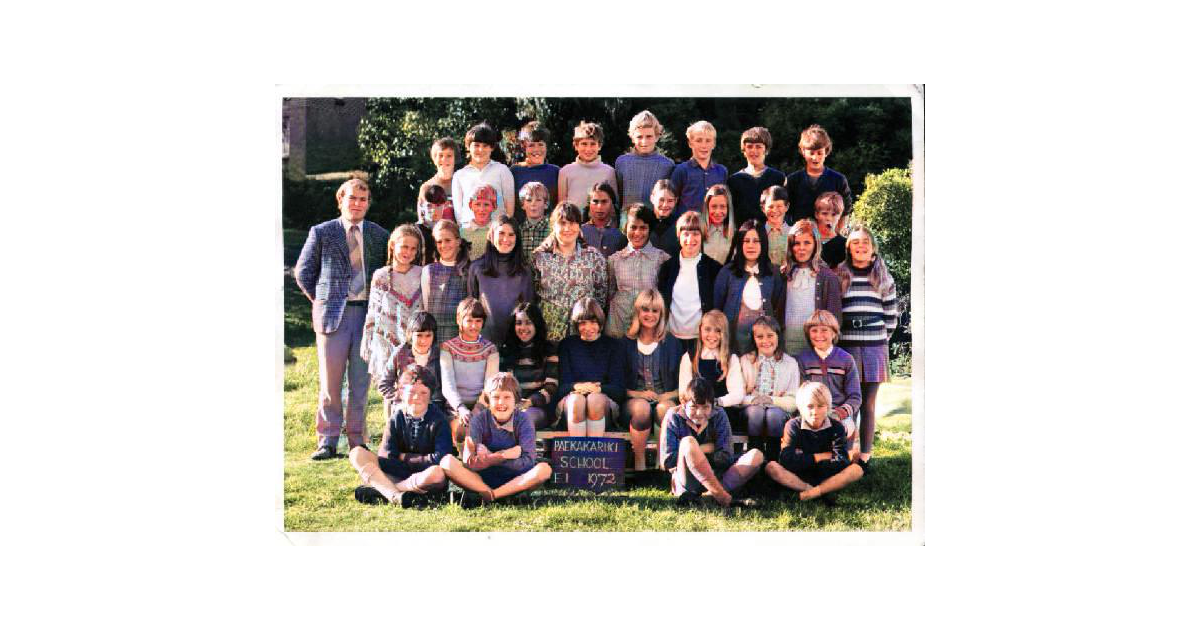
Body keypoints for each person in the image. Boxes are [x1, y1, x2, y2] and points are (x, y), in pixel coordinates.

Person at [294, 178, 389, 460]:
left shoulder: (379, 235)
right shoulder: (322, 232)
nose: (357, 204)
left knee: (360, 383)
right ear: (341, 200)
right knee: (330, 383)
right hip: (332, 316)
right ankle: (327, 440)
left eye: (363, 199)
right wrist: (322, 300)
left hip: (367, 317)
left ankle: (357, 440)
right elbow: (303, 272)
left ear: (368, 203)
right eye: (352, 198)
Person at [439, 372, 554, 505]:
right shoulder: (478, 420)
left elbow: (528, 462)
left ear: (516, 400)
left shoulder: (524, 420)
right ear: (488, 401)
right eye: (496, 397)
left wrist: (488, 457)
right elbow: (469, 462)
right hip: (481, 478)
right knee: (447, 462)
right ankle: (488, 491)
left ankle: (493, 495)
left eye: (507, 397)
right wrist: (502, 456)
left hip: (515, 479)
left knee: (544, 469)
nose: (501, 402)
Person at [835, 225, 898, 464]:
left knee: (868, 403)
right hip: (847, 346)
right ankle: (844, 454)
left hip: (874, 346)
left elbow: (891, 317)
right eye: (855, 242)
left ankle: (864, 456)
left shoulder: (883, 277)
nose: (860, 246)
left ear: (873, 248)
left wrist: (879, 339)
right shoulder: (840, 275)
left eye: (865, 242)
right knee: (848, 401)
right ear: (848, 248)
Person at [349, 364, 451, 507]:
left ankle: (385, 491)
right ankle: (397, 495)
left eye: (423, 393)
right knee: (357, 453)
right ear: (402, 392)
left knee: (437, 473)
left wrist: (404, 457)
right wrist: (412, 460)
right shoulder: (396, 418)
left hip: (424, 476)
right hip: (396, 473)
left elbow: (440, 459)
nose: (417, 397)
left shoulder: (439, 420)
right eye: (412, 391)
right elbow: (386, 457)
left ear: (430, 396)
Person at [660, 377, 763, 507]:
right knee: (688, 442)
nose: (699, 413)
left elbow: (726, 457)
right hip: (688, 479)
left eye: (705, 407)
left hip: (717, 476)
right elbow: (667, 461)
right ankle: (723, 497)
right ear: (683, 403)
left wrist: (699, 453)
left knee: (756, 455)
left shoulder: (719, 414)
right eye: (693, 407)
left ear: (712, 405)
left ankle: (708, 496)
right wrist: (703, 449)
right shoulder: (673, 416)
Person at [362, 224, 424, 420]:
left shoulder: (422, 273)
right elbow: (374, 312)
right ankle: (391, 432)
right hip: (387, 342)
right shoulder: (381, 275)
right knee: (391, 391)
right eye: (404, 246)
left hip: (415, 343)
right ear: (392, 246)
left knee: (415, 388)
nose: (408, 252)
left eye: (413, 248)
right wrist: (369, 339)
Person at [765, 381, 864, 502]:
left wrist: (803, 459)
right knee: (771, 467)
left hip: (827, 475)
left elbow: (841, 461)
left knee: (856, 470)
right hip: (797, 476)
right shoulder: (793, 426)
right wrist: (820, 457)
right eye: (810, 406)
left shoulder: (837, 427)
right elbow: (787, 460)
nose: (815, 412)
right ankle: (814, 490)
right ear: (801, 407)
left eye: (820, 406)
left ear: (828, 407)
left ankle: (811, 493)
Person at [622, 289, 684, 471]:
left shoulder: (672, 343)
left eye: (655, 310)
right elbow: (617, 385)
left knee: (666, 409)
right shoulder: (625, 343)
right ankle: (639, 463)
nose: (650, 315)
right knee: (642, 408)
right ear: (637, 312)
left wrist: (667, 396)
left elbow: (682, 384)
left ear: (661, 314)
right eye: (645, 310)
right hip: (633, 402)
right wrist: (638, 394)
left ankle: (661, 463)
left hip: (664, 398)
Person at [530, 202, 608, 344]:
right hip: (549, 332)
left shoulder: (594, 257)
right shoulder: (539, 258)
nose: (567, 228)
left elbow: (601, 296)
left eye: (572, 223)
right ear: (553, 226)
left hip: (583, 332)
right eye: (562, 223)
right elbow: (533, 294)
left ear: (579, 226)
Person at [555, 297, 626, 437]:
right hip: (571, 402)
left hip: (604, 403)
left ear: (600, 322)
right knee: (577, 401)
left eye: (593, 322)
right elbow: (562, 388)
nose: (588, 328)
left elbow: (618, 390)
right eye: (583, 323)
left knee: (594, 400)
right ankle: (578, 450)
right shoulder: (567, 345)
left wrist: (598, 389)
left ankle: (594, 449)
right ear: (576, 324)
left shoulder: (613, 346)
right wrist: (578, 387)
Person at [713, 220, 785, 354]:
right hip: (734, 343)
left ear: (763, 244)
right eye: (746, 241)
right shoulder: (727, 272)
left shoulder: (773, 273)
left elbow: (778, 306)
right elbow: (717, 307)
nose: (751, 245)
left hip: (764, 343)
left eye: (756, 241)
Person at [658, 211, 722, 357]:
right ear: (679, 236)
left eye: (695, 234)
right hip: (671, 338)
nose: (690, 239)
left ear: (703, 235)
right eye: (686, 234)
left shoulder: (714, 268)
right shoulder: (667, 267)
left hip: (702, 340)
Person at [738, 315, 799, 461]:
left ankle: (773, 459)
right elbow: (737, 396)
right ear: (754, 339)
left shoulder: (790, 363)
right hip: (750, 410)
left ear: (778, 336)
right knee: (756, 412)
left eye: (770, 335)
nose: (765, 341)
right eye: (760, 337)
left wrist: (771, 400)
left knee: (773, 415)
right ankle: (755, 458)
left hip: (778, 411)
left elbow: (793, 401)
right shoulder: (745, 360)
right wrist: (754, 400)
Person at [466, 215, 535, 345]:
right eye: (501, 233)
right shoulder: (476, 268)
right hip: (484, 341)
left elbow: (529, 311)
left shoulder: (524, 271)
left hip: (515, 341)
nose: (506, 239)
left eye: (511, 234)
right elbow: (472, 309)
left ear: (517, 238)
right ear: (492, 235)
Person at [440, 297, 500, 444]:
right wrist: (461, 408)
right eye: (469, 321)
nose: (474, 326)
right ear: (459, 320)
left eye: (478, 321)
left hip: (483, 406)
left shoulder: (490, 349)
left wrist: (477, 410)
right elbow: (448, 385)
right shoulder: (448, 348)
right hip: (455, 407)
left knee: (475, 428)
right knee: (461, 430)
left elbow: (490, 386)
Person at [796, 310, 861, 444]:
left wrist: (839, 413)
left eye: (824, 330)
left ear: (834, 333)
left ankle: (839, 454)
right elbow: (800, 394)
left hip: (839, 414)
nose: (819, 335)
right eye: (814, 330)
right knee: (796, 429)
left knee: (837, 430)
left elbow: (855, 397)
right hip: (811, 413)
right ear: (808, 334)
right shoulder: (802, 359)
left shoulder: (846, 359)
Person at [779, 219, 842, 356]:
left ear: (815, 245)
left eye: (807, 243)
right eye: (796, 243)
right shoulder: (784, 275)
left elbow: (835, 318)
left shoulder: (827, 277)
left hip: (815, 349)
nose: (801, 248)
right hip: (786, 346)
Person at [606, 204, 669, 339]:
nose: (638, 233)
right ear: (625, 228)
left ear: (649, 229)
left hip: (648, 329)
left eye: (643, 228)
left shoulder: (661, 259)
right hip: (619, 328)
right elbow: (610, 293)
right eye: (633, 227)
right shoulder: (614, 260)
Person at [499, 302, 559, 430]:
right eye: (519, 323)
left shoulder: (549, 350)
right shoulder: (506, 351)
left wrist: (529, 402)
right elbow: (502, 384)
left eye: (528, 323)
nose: (523, 327)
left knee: (522, 420)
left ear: (536, 324)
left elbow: (552, 387)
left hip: (538, 408)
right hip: (510, 405)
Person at [378, 311, 446, 415]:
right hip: (405, 405)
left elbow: (445, 387)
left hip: (433, 405)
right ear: (410, 334)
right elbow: (384, 384)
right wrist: (400, 395)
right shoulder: (400, 353)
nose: (423, 340)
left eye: (428, 335)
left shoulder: (439, 355)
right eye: (419, 335)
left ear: (434, 336)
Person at [614, 110, 675, 225]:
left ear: (657, 136)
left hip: (655, 222)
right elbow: (619, 196)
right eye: (639, 137)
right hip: (627, 223)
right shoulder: (622, 162)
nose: (644, 141)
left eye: (649, 136)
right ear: (632, 137)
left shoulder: (667, 165)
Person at [677, 310, 746, 411]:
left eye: (718, 330)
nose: (712, 335)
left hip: (722, 409)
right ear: (700, 330)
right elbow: (683, 392)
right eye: (707, 329)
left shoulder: (731, 358)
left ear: (724, 333)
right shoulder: (689, 357)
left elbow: (738, 394)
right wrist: (699, 406)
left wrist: (716, 402)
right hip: (695, 410)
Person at [784, 124, 853, 224]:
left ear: (826, 152)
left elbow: (846, 210)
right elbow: (784, 210)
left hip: (829, 232)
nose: (815, 158)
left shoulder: (839, 180)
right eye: (811, 153)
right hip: (800, 232)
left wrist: (838, 231)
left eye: (819, 153)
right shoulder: (792, 180)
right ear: (803, 152)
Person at [451, 123, 515, 223]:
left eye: (485, 146)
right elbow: (458, 213)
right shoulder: (459, 176)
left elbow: (509, 209)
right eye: (476, 145)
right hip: (469, 230)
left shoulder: (502, 171)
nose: (480, 150)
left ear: (492, 148)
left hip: (497, 230)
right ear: (468, 147)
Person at [421, 219, 471, 344]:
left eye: (448, 240)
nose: (443, 245)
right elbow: (425, 306)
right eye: (439, 242)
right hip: (433, 335)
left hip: (460, 335)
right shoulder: (428, 271)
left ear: (458, 241)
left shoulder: (469, 270)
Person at [726, 126, 786, 227]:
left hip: (771, 233)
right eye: (749, 146)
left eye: (758, 147)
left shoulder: (778, 178)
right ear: (744, 151)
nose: (754, 150)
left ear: (766, 150)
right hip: (743, 234)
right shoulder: (734, 181)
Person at [558, 120, 618, 209]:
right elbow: (561, 206)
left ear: (599, 146)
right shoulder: (565, 171)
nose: (588, 149)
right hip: (573, 217)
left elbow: (613, 205)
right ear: (576, 146)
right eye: (584, 144)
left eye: (593, 144)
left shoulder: (609, 172)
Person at [669, 120, 727, 214]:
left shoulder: (722, 171)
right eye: (699, 140)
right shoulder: (681, 170)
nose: (704, 146)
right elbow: (671, 202)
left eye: (708, 141)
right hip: (688, 222)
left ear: (714, 144)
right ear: (690, 143)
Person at [510, 121, 559, 216]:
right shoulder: (515, 171)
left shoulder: (555, 172)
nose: (536, 149)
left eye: (540, 144)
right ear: (524, 147)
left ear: (546, 146)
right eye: (531, 145)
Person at [580, 181, 627, 257]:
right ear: (589, 204)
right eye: (595, 201)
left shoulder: (622, 234)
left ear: (612, 203)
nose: (599, 207)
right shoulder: (580, 232)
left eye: (604, 202)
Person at [417, 137, 458, 222]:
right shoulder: (426, 188)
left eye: (449, 156)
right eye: (440, 155)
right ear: (434, 159)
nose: (444, 159)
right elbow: (422, 221)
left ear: (455, 159)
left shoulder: (463, 183)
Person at [415, 184, 452, 264]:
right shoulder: (414, 231)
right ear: (422, 205)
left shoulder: (449, 231)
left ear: (445, 205)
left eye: (438, 205)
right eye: (429, 206)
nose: (433, 210)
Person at [516, 181, 551, 267]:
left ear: (546, 204)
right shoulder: (517, 231)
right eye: (529, 200)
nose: (533, 204)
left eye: (538, 200)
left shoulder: (553, 230)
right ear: (523, 205)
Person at [701, 184, 735, 265]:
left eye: (722, 206)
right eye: (714, 206)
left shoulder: (735, 235)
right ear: (707, 208)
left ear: (728, 208)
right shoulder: (699, 231)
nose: (718, 212)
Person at [460, 182, 495, 261]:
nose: (481, 209)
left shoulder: (498, 230)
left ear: (493, 206)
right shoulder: (462, 232)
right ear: (471, 206)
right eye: (477, 204)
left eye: (486, 204)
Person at [647, 179, 681, 257]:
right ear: (652, 198)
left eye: (670, 201)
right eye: (661, 200)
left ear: (676, 201)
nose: (665, 205)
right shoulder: (642, 222)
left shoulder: (680, 225)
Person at [814, 191, 848, 269]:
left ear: (840, 216)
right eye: (824, 213)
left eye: (834, 214)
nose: (829, 218)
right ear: (816, 214)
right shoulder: (806, 238)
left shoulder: (844, 245)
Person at [761, 186, 790, 267]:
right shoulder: (758, 233)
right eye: (770, 206)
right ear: (763, 208)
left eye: (779, 206)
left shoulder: (793, 233)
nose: (774, 210)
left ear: (787, 207)